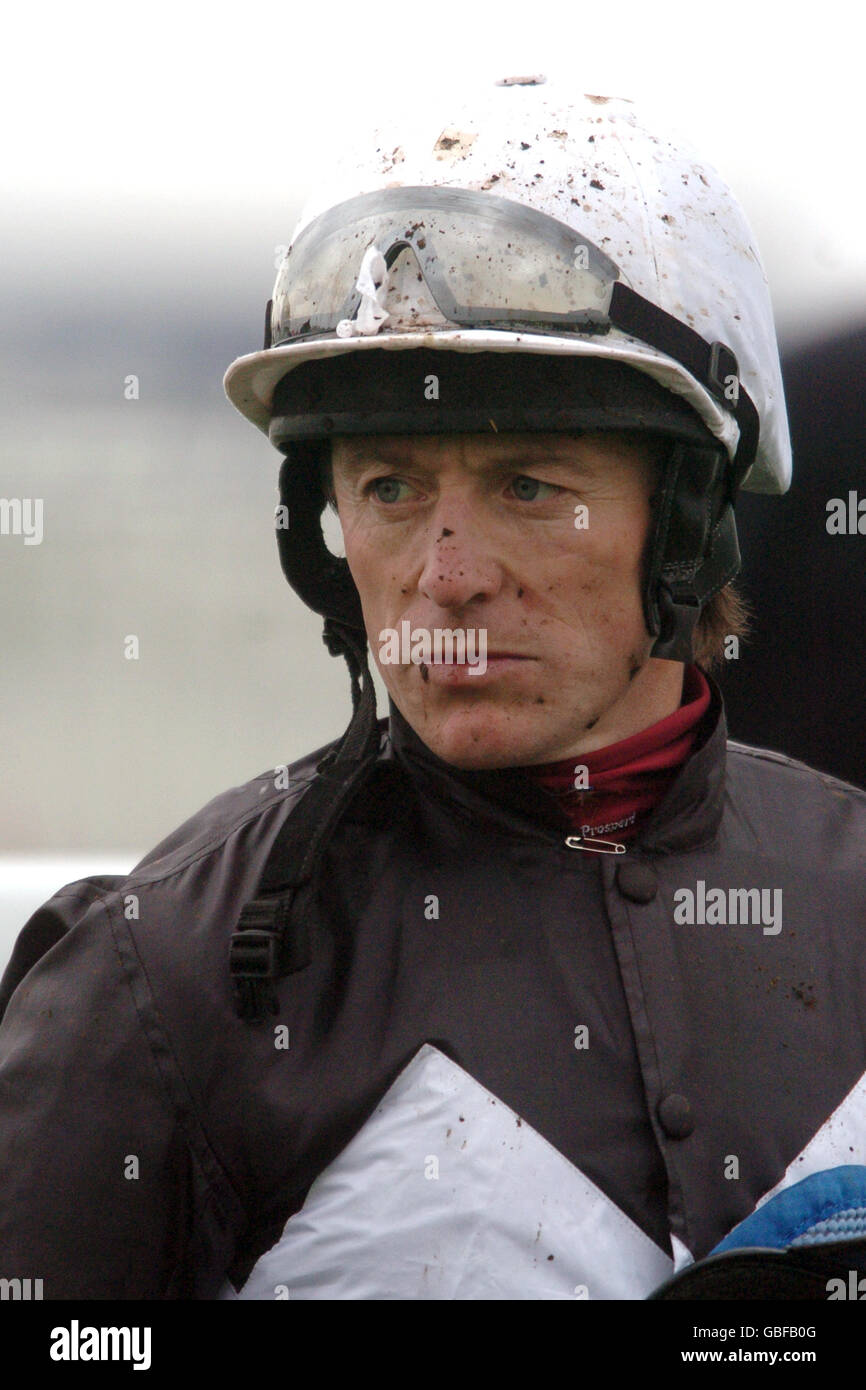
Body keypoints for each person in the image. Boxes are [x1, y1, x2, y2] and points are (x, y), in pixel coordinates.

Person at [2, 78, 865, 1302]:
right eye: (392, 490)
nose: (444, 579)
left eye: (526, 487)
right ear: (325, 530)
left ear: (687, 521)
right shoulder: (159, 980)